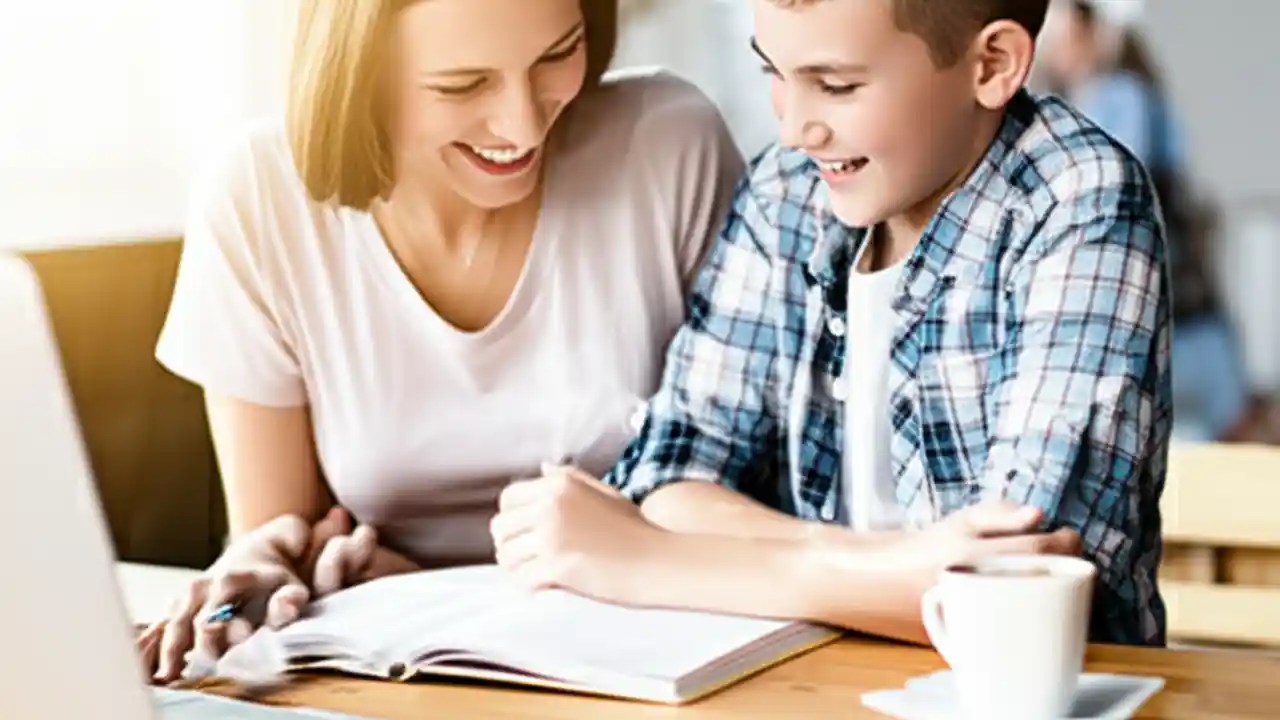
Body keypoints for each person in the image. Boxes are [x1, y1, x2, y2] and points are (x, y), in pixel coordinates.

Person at [492, 0, 1172, 647]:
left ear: (991, 65)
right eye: (774, 73)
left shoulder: (1079, 200)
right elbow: (671, 479)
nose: (794, 130)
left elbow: (1020, 588)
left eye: (837, 85)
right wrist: (893, 564)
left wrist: (650, 564)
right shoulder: (785, 192)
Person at [138, 0, 744, 682]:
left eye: (556, 54)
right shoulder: (258, 199)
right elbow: (281, 535)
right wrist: (275, 571)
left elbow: (754, 508)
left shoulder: (666, 146)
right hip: (399, 668)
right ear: (355, 74)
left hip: (660, 658)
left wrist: (461, 587)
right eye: (462, 85)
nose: (523, 123)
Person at [1045, 0, 1251, 442]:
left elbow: (1108, 191)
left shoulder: (1119, 98)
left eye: (1061, 31)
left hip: (1166, 319)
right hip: (1184, 322)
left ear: (1095, 34)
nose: (1052, 45)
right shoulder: (1109, 98)